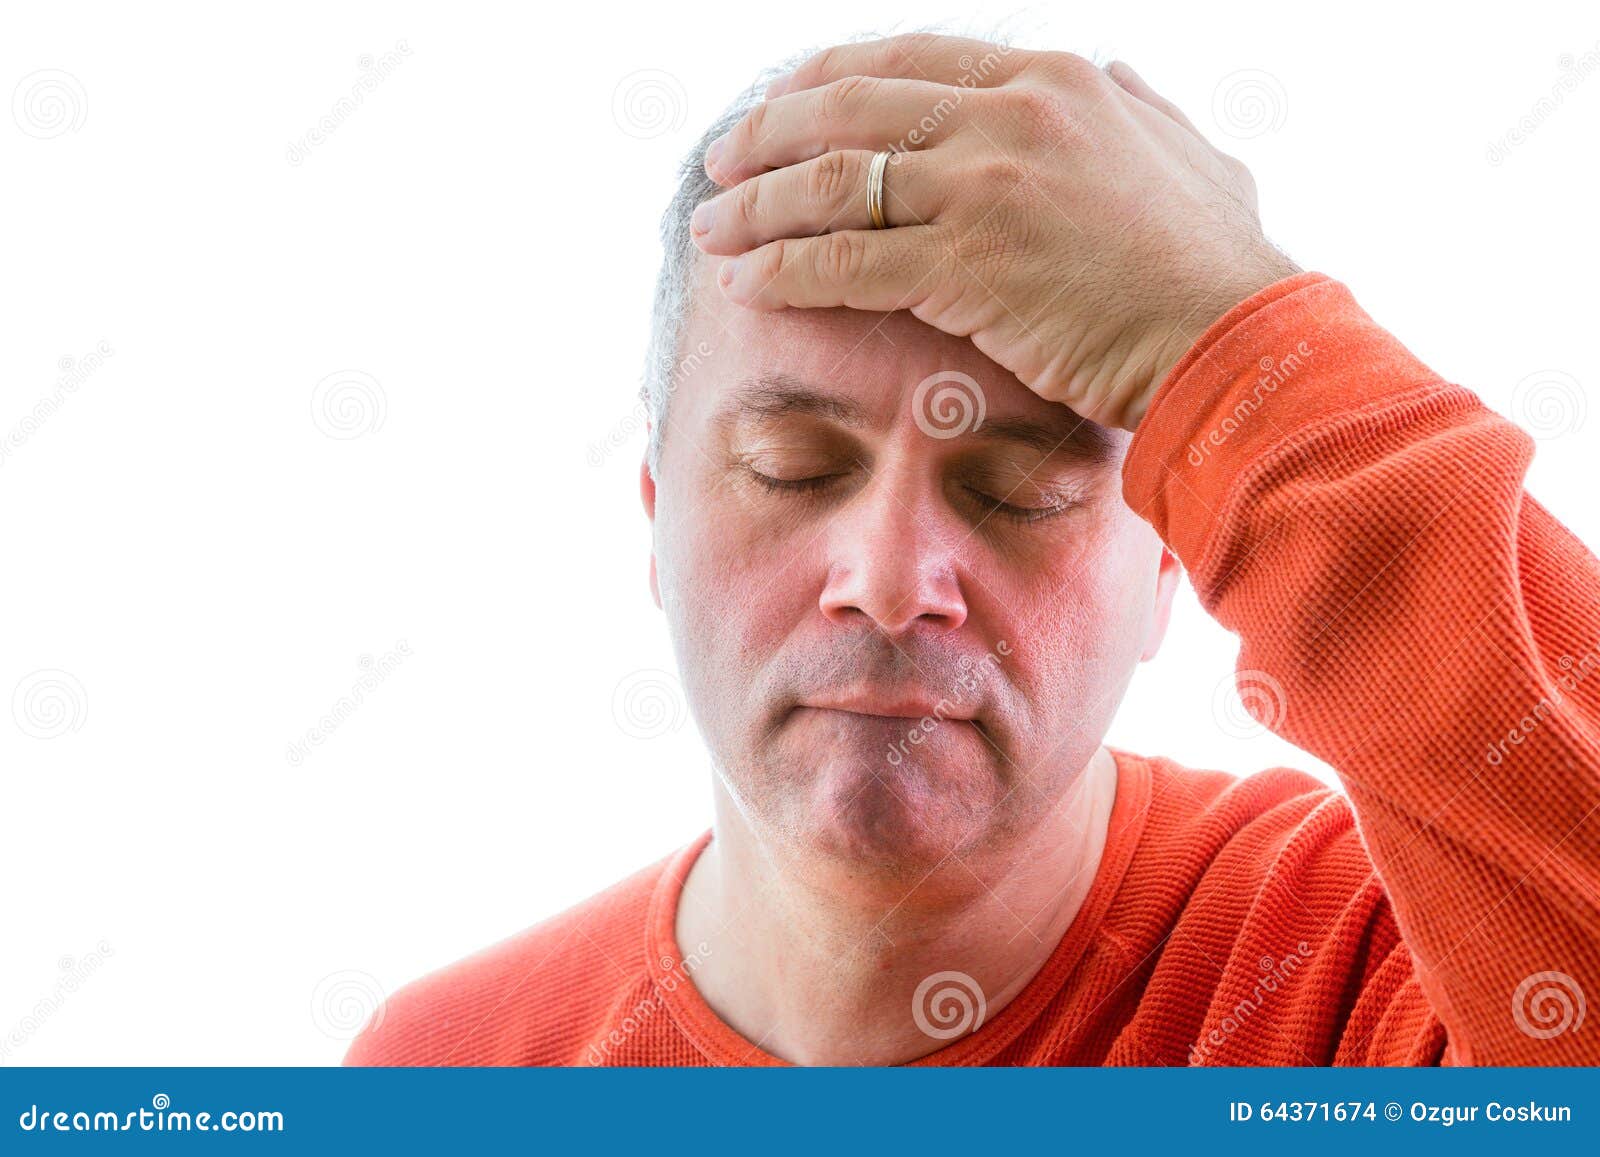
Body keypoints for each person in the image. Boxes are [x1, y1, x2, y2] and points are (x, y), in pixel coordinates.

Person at [345, 33, 1599, 1066]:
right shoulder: (444, 1071)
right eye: (793, 466)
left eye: (1017, 488)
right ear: (654, 511)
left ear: (1169, 557)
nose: (891, 584)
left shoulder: (1388, 974)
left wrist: (1237, 343)